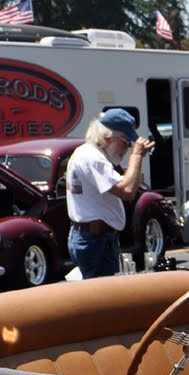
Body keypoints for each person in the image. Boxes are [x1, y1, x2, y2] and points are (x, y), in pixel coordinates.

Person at [66, 108, 154, 278]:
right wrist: (137, 156)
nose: (127, 148)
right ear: (108, 138)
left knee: (102, 296)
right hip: (93, 240)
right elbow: (127, 191)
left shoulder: (91, 154)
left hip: (97, 238)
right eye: (125, 141)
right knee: (98, 298)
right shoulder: (93, 158)